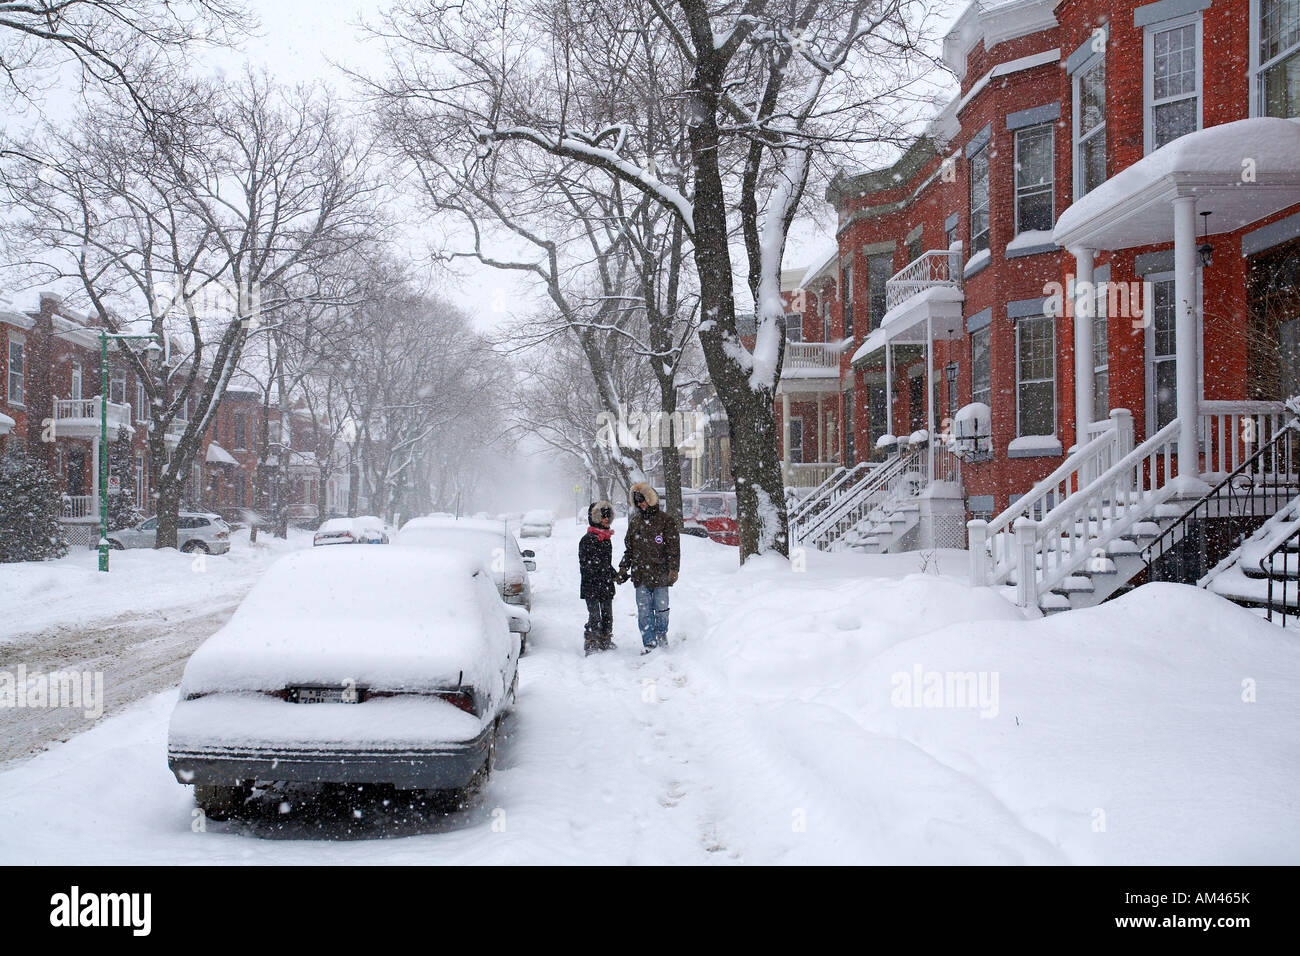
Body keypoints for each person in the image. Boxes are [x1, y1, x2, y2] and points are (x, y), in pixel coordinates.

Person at [616, 481, 680, 654]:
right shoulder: (635, 522)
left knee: (662, 609)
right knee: (644, 611)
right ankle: (649, 642)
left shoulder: (665, 521)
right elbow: (629, 549)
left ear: (650, 498)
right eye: (637, 502)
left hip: (661, 574)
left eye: (642, 500)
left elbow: (673, 547)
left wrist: (674, 569)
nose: (640, 504)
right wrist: (623, 568)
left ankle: (661, 636)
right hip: (640, 574)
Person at [579, 500, 617, 655]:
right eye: (603, 516)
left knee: (608, 614)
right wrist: (603, 571)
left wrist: (615, 574)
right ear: (595, 518)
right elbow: (586, 565)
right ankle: (591, 640)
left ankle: (605, 637)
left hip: (605, 584)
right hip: (592, 585)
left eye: (608, 516)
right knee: (594, 615)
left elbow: (606, 563)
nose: (606, 519)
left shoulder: (606, 539)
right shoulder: (587, 539)